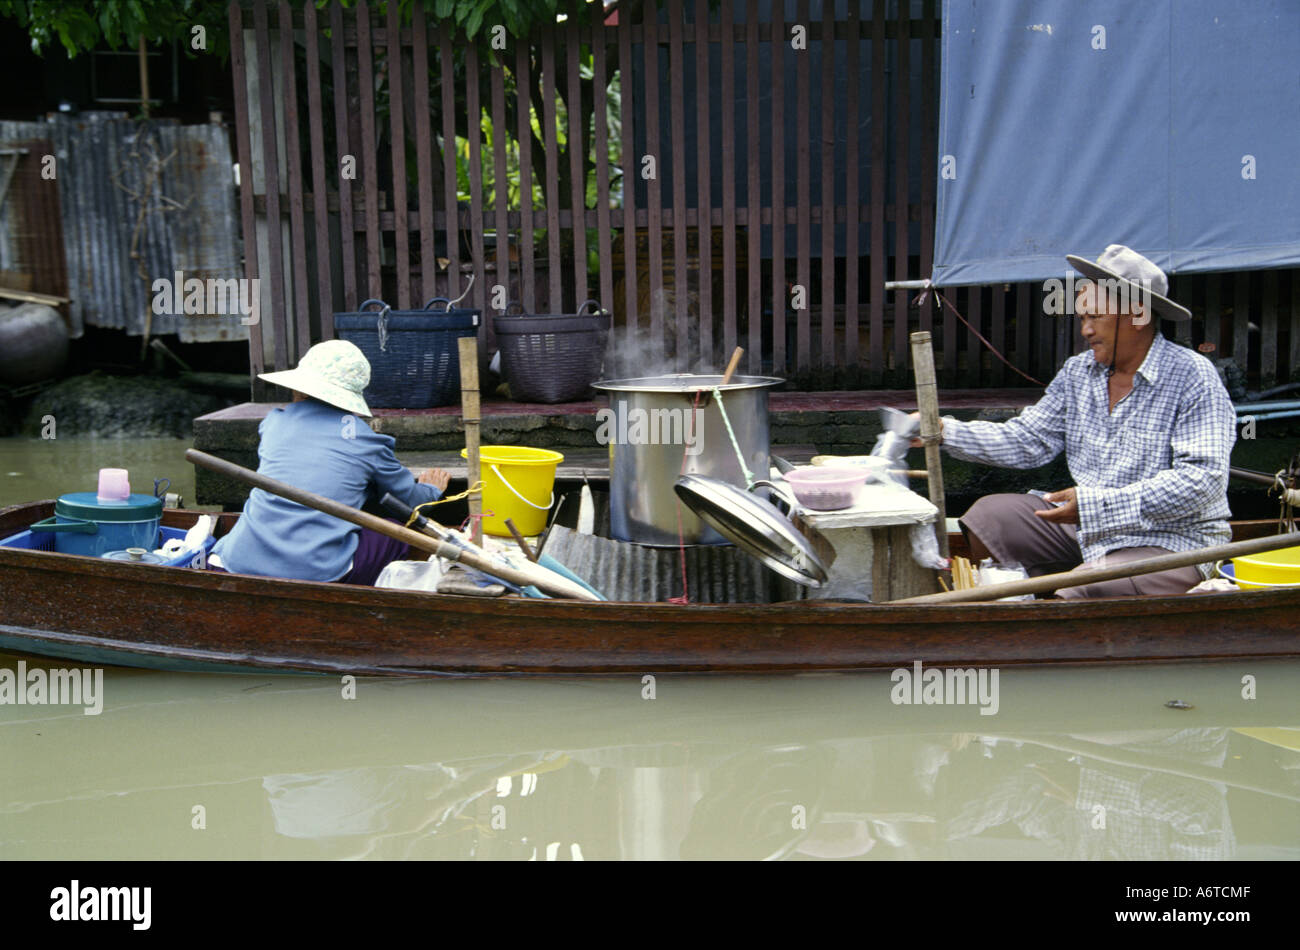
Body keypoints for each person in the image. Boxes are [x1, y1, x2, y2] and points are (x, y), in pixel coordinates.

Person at [924, 245, 1235, 598]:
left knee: (1086, 586)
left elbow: (1201, 482)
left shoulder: (1193, 375)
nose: (1085, 330)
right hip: (1088, 530)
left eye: (1094, 317)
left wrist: (1094, 507)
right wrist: (943, 431)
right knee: (989, 519)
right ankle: (1020, 604)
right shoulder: (1078, 373)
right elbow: (1028, 441)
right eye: (1082, 318)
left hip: (1172, 541)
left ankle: (1060, 611)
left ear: (1137, 315)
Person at [210, 339, 452, 585]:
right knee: (396, 532)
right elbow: (411, 505)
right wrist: (431, 490)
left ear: (301, 390)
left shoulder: (273, 423)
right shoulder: (366, 441)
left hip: (237, 559)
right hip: (317, 571)